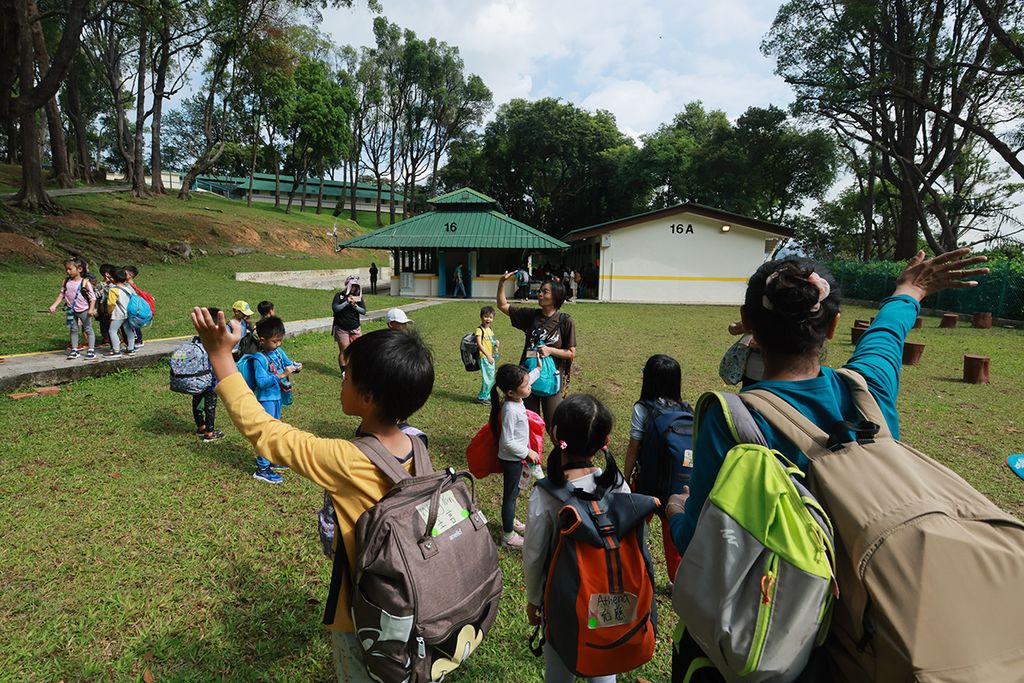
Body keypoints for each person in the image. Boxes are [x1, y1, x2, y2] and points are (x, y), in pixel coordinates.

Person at [664, 250, 988, 679]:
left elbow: (701, 541)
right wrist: (909, 290)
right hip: (869, 636)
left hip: (786, 641)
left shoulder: (732, 421)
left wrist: (676, 509)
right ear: (834, 326)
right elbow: (886, 336)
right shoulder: (866, 392)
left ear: (748, 325)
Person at [190, 309, 434, 683]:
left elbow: (265, 432)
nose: (342, 381)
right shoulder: (418, 444)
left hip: (363, 612)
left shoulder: (346, 459)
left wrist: (221, 355)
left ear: (366, 397)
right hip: (416, 596)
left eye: (346, 377)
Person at [523, 394, 630, 683]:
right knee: (604, 660)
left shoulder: (547, 493)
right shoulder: (618, 484)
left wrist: (534, 599)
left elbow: (534, 553)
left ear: (556, 434)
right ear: (604, 440)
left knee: (559, 665)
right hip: (610, 592)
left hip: (562, 599)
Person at [622, 354, 686, 582]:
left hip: (647, 485)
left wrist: (625, 480)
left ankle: (633, 574)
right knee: (674, 539)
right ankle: (676, 582)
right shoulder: (685, 409)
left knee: (635, 530)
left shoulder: (643, 409)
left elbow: (633, 448)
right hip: (677, 487)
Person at [496, 272, 577, 429]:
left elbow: (571, 353)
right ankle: (531, 453)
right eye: (540, 290)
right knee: (527, 424)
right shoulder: (531, 315)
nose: (539, 294)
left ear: (556, 296)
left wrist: (550, 351)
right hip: (527, 379)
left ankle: (561, 453)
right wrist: (501, 283)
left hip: (552, 379)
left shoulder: (565, 321)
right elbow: (502, 305)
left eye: (544, 291)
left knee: (554, 426)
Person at [238, 316, 301, 484]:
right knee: (266, 433)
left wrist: (295, 366)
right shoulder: (259, 359)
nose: (278, 344)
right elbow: (262, 382)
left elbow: (287, 363)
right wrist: (282, 374)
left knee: (275, 431)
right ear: (263, 340)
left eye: (280, 340)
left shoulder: (278, 352)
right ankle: (262, 468)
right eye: (275, 341)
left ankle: (272, 459)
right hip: (265, 399)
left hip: (277, 397)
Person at [488, 363, 542, 549]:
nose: (530, 387)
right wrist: (528, 452)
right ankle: (508, 536)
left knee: (517, 490)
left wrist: (537, 370)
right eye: (526, 386)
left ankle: (511, 521)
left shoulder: (517, 397)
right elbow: (507, 442)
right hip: (512, 459)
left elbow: (528, 381)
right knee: (510, 496)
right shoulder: (510, 410)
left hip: (517, 457)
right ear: (511, 392)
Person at [48, 256, 97, 360]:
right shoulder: (66, 282)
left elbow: (93, 298)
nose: (68, 271)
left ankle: (91, 350)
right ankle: (74, 349)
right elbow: (61, 295)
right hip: (71, 310)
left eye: (70, 269)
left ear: (79, 269)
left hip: (84, 310)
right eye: (67, 269)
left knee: (88, 329)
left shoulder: (85, 282)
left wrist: (91, 309)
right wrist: (54, 305)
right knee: (73, 329)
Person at [190, 307, 224, 443]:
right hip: (210, 382)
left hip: (196, 379)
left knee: (197, 402)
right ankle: (209, 432)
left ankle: (200, 426)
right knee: (210, 405)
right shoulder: (214, 343)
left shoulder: (195, 341)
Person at [332, 276, 366, 374]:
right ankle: (344, 372)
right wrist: (346, 302)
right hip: (341, 327)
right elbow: (335, 308)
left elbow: (363, 311)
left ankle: (355, 369)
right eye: (352, 286)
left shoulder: (358, 297)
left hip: (355, 327)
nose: (354, 288)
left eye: (356, 286)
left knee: (358, 349)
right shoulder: (339, 296)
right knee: (345, 350)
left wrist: (355, 306)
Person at [105, 267, 137, 357]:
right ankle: (131, 349)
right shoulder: (128, 288)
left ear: (113, 279)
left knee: (112, 331)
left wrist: (109, 313)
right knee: (129, 331)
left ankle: (116, 350)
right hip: (128, 313)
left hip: (118, 314)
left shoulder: (113, 290)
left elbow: (111, 304)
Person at [475, 306, 500, 405]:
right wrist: (488, 355)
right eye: (486, 316)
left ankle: (486, 395)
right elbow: (479, 344)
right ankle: (482, 397)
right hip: (484, 357)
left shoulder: (490, 329)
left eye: (490, 317)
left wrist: (496, 343)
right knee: (488, 378)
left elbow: (490, 341)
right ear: (481, 317)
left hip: (490, 357)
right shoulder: (479, 330)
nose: (488, 319)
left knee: (491, 377)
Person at [124, 266, 145, 347]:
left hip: (131, 307)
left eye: (130, 276)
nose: (128, 276)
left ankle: (138, 340)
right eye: (127, 274)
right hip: (127, 307)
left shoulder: (130, 284)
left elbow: (135, 294)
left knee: (133, 324)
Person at [95, 263, 115, 347]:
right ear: (107, 274)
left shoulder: (114, 284)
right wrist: (103, 288)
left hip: (112, 306)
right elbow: (95, 295)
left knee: (113, 322)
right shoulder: (99, 285)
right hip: (103, 307)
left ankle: (116, 337)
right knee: (103, 322)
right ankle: (106, 337)